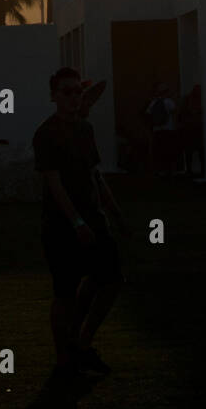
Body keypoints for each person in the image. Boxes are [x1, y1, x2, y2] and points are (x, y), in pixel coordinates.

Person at [33, 67, 129, 378]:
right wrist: (76, 222)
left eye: (78, 91)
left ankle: (82, 342)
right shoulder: (46, 134)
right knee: (64, 293)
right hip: (61, 226)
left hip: (94, 219)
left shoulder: (85, 130)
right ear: (54, 96)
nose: (74, 97)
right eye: (67, 92)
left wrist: (113, 211)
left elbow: (95, 175)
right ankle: (64, 359)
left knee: (111, 279)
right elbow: (54, 183)